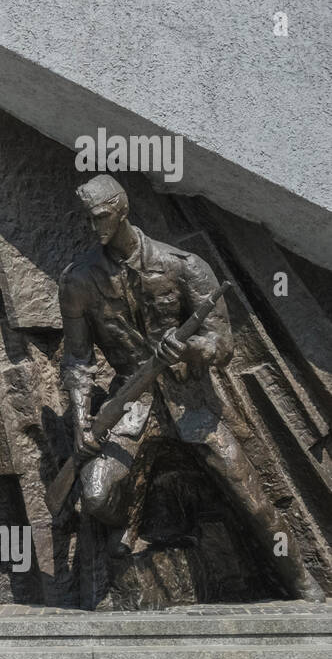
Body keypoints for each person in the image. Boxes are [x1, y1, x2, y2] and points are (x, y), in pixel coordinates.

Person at [59, 174, 323, 601]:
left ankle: (301, 581)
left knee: (250, 496)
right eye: (89, 219)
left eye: (102, 216)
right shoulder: (78, 280)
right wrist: (81, 423)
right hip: (132, 403)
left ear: (122, 210)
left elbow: (222, 347)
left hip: (192, 404)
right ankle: (132, 515)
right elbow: (77, 361)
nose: (96, 227)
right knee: (95, 495)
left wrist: (187, 349)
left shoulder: (185, 266)